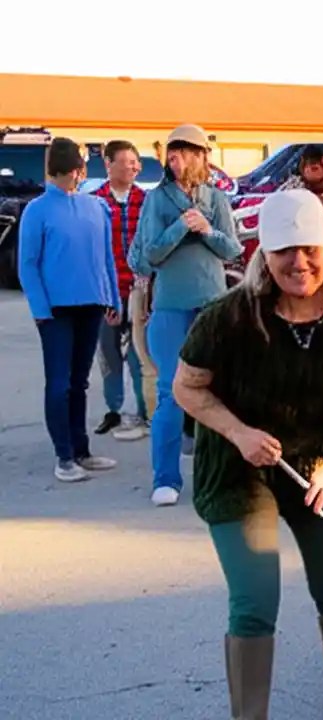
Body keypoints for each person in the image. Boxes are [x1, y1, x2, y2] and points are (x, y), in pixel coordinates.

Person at [172, 189, 323, 720]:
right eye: (283, 252)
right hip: (241, 468)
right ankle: (249, 714)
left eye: (309, 249)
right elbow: (186, 386)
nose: (299, 262)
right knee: (254, 601)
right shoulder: (229, 316)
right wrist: (238, 432)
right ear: (263, 255)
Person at [129, 124, 241, 507]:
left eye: (181, 155)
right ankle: (166, 478)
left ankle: (220, 475)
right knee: (170, 392)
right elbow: (150, 254)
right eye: (171, 157)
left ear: (200, 156)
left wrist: (207, 229)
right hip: (171, 306)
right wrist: (180, 226)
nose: (174, 162)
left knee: (218, 392)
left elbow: (232, 249)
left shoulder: (216, 198)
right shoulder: (157, 200)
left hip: (212, 305)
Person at [18, 137, 121, 482]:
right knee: (59, 383)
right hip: (56, 310)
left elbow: (106, 258)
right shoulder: (37, 210)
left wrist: (113, 298)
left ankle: (81, 450)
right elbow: (28, 264)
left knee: (79, 382)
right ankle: (64, 457)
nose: (74, 176)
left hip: (91, 303)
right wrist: (40, 309)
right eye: (71, 170)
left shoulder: (96, 207)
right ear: (69, 171)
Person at [90, 140, 152, 440]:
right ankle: (113, 409)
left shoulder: (146, 201)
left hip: (140, 291)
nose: (133, 167)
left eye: (135, 162)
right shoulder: (95, 202)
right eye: (127, 161)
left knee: (140, 354)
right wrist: (102, 296)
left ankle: (143, 411)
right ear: (108, 164)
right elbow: (91, 254)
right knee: (109, 354)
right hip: (107, 292)